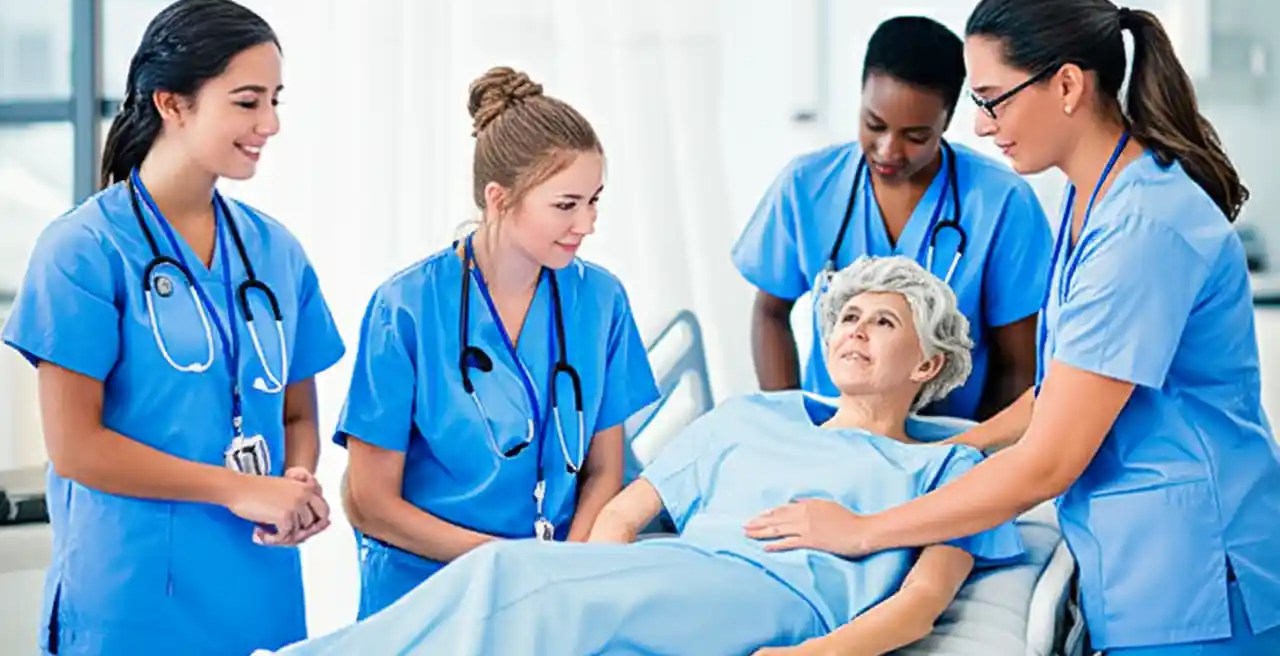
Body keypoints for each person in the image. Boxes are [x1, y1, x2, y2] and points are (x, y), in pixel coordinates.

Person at [743, 0, 1280, 655]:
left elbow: (1048, 461)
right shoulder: (1096, 202)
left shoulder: (1141, 229)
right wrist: (943, 450)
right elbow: (1061, 388)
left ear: (1065, 86)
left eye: (994, 100)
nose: (979, 125)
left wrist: (865, 527)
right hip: (1147, 564)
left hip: (1198, 578)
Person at [253, 255, 1023, 656]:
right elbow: (625, 512)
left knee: (523, 584)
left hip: (782, 602)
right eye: (847, 314)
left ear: (929, 365)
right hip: (682, 573)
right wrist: (589, 569)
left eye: (883, 323)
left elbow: (921, 604)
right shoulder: (755, 415)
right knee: (516, 577)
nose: (854, 328)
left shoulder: (945, 471)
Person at [0, 0, 346, 655]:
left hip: (259, 592)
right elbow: (76, 445)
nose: (269, 122)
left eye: (276, 99)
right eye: (247, 102)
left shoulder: (275, 253)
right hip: (133, 598)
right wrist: (241, 488)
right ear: (172, 103)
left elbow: (296, 416)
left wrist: (297, 483)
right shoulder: (84, 249)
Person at [336, 66, 661, 620]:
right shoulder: (407, 307)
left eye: (594, 201)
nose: (587, 223)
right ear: (498, 198)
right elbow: (369, 501)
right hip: (424, 592)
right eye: (566, 204)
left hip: (550, 592)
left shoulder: (600, 301)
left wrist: (568, 569)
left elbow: (605, 469)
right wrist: (508, 564)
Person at [733, 15, 1053, 422]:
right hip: (831, 430)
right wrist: (793, 429)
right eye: (874, 124)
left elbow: (1019, 363)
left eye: (916, 136)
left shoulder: (1002, 203)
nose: (888, 150)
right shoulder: (807, 185)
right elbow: (769, 312)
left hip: (952, 436)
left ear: (947, 120)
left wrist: (970, 456)